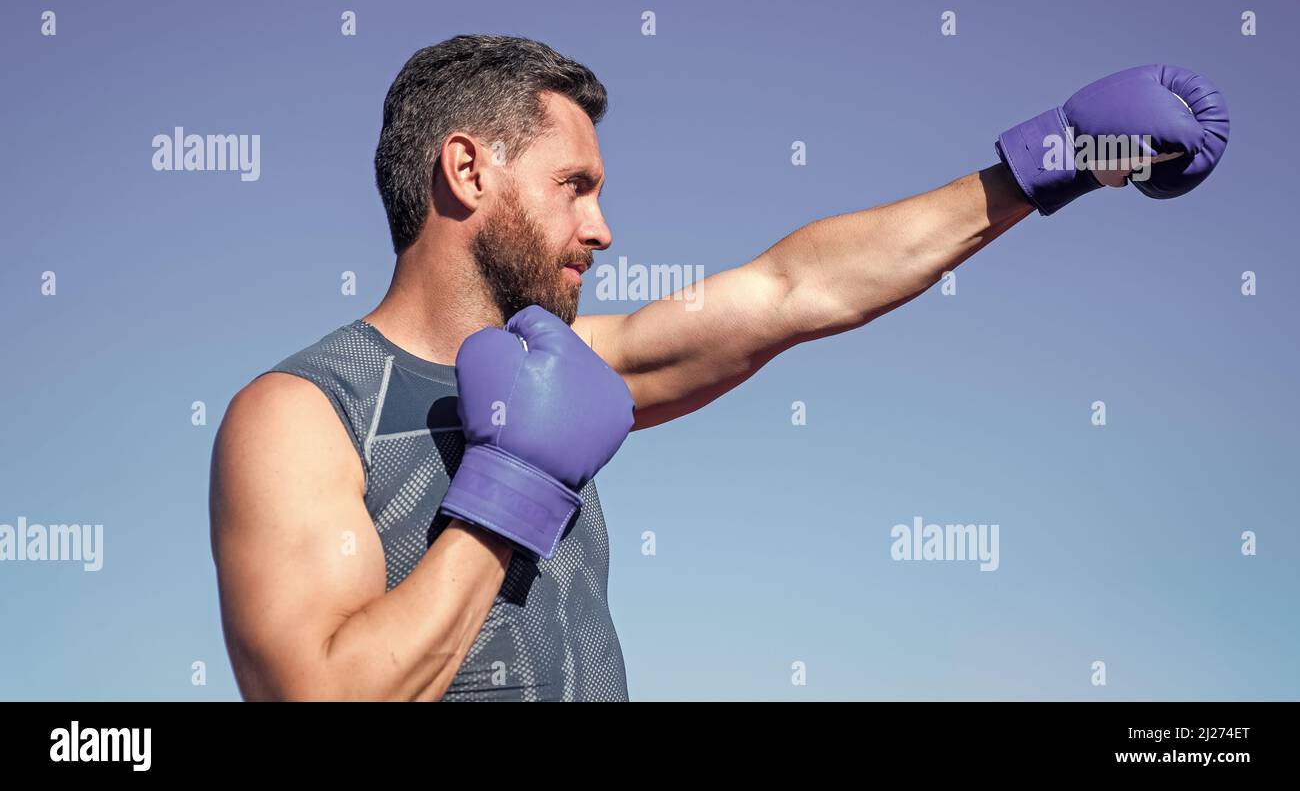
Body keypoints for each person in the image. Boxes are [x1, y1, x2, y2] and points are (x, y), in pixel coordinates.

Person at [208, 36, 1228, 701]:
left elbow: (794, 288)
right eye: (575, 185)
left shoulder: (581, 368)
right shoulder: (304, 410)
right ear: (468, 169)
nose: (602, 228)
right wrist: (510, 487)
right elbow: (322, 694)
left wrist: (1049, 160)